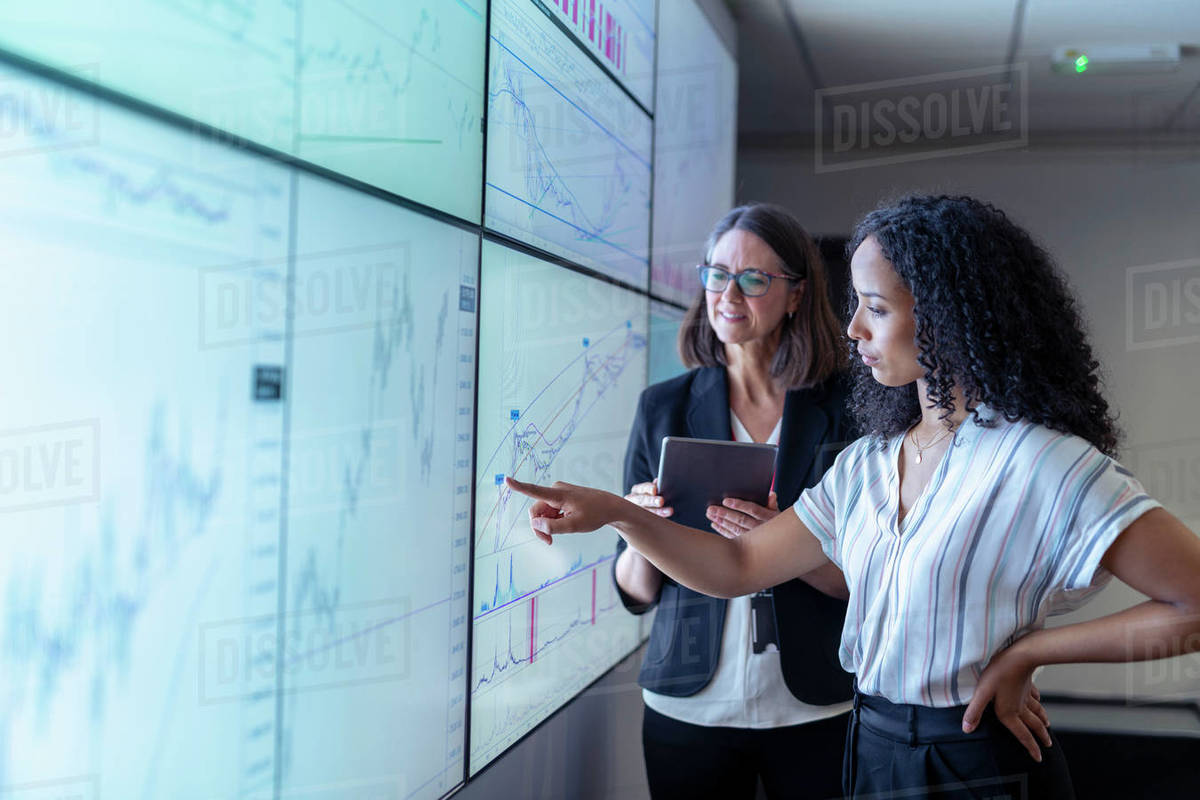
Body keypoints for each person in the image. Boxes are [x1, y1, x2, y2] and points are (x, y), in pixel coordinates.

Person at [507, 195, 1200, 799]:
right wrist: (619, 512)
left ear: (947, 316)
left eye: (874, 308)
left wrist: (1028, 655)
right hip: (868, 744)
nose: (854, 330)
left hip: (974, 752)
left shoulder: (1040, 461)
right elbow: (738, 567)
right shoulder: (870, 462)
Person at [615, 203, 854, 799]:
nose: (728, 293)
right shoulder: (661, 408)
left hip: (815, 705)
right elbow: (635, 592)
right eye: (718, 274)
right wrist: (639, 527)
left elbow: (870, 578)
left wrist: (784, 542)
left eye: (753, 279)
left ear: (796, 295)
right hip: (688, 705)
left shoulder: (847, 411)